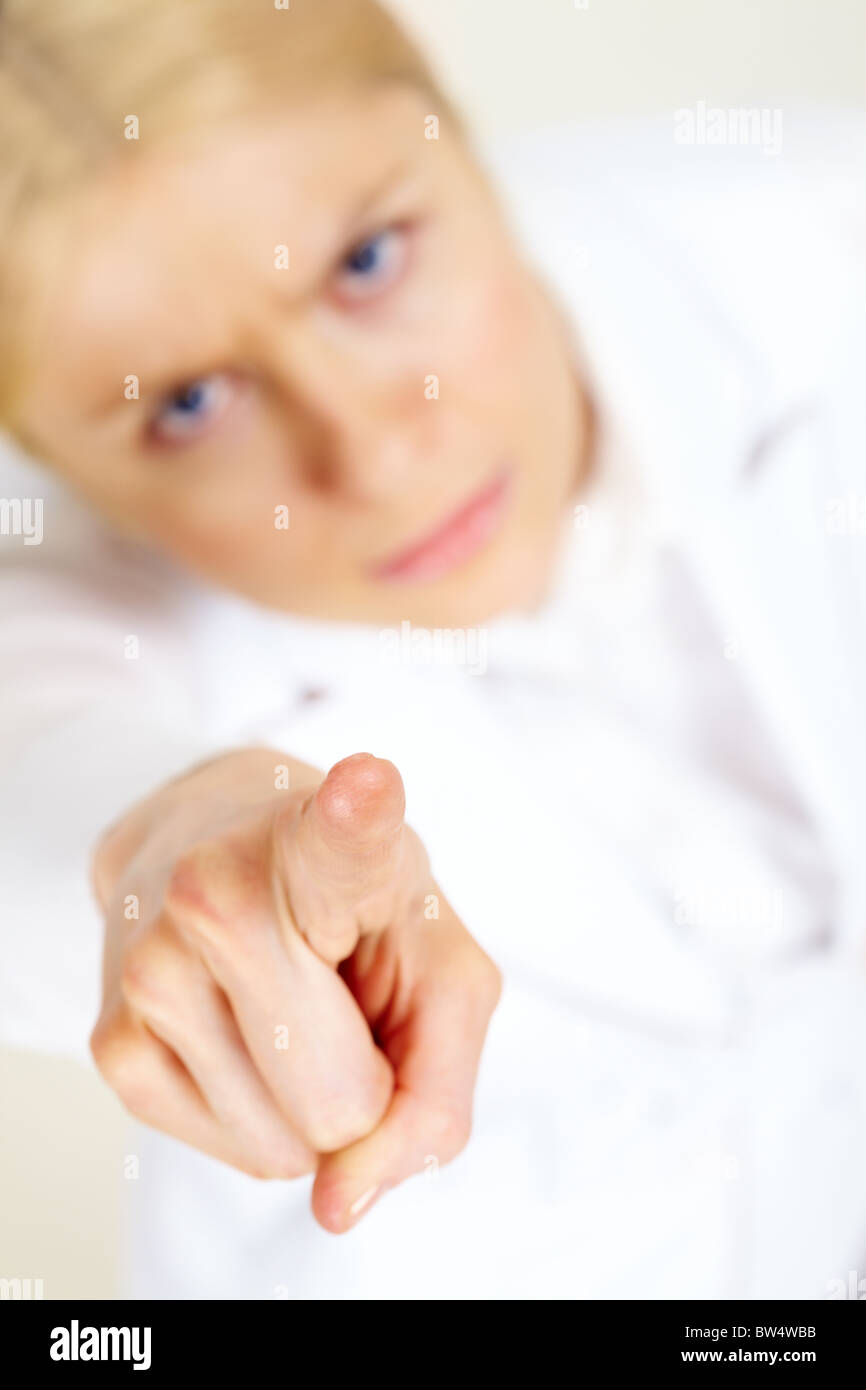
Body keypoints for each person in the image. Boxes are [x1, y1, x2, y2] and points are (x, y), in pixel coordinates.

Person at [1, 0, 865, 1299]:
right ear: (55, 463)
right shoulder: (82, 622)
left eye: (367, 261)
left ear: (444, 101)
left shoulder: (816, 229)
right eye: (187, 405)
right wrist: (166, 854)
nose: (374, 450)